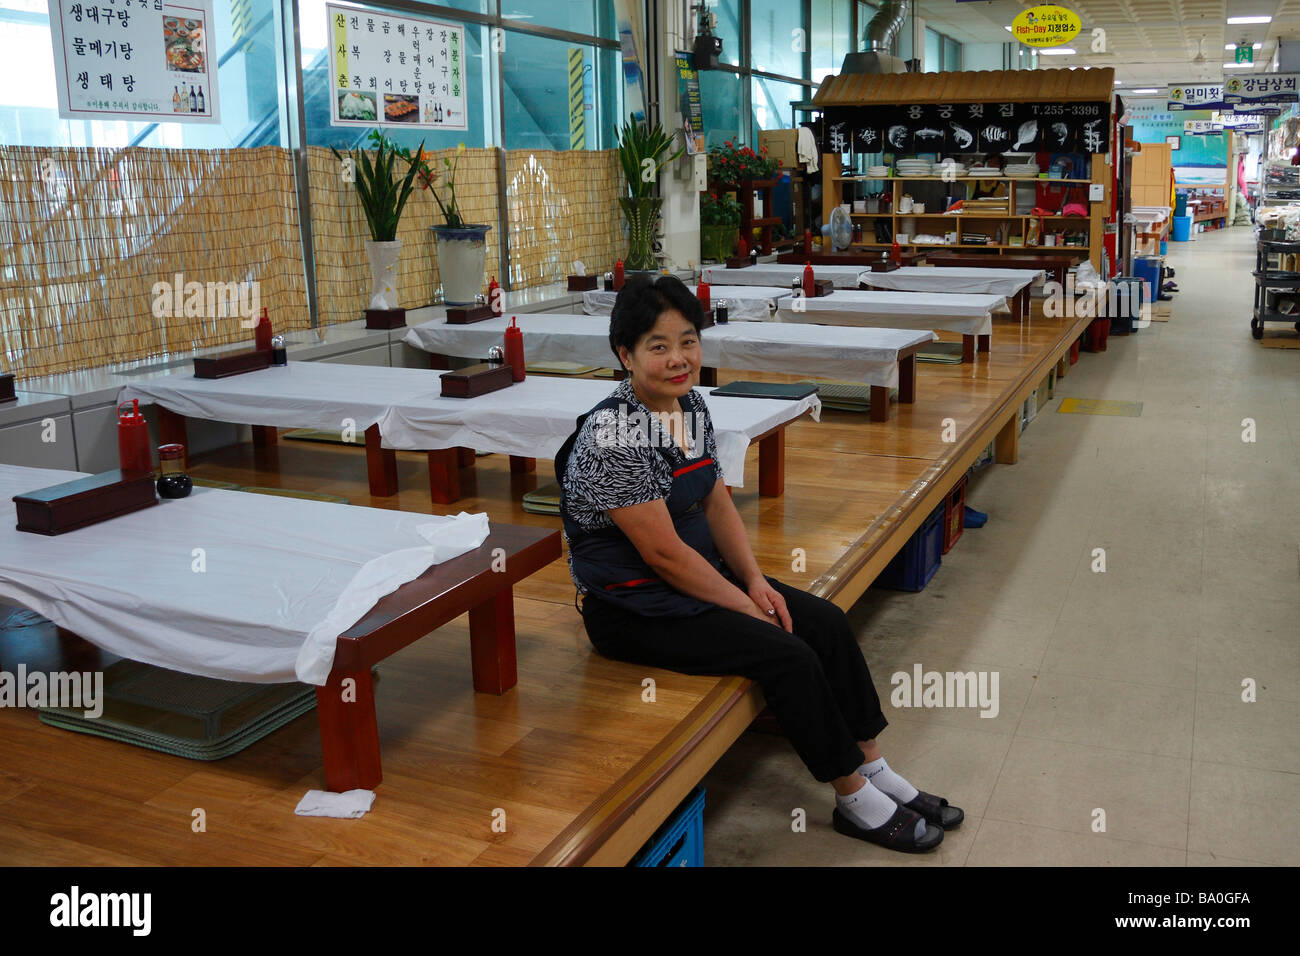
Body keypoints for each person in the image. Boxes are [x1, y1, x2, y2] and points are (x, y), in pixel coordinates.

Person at [555, 274, 962, 853]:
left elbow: (715, 497)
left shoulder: (689, 405)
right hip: (633, 607)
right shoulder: (614, 435)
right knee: (788, 655)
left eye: (687, 341)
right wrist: (747, 607)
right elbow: (664, 555)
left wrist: (751, 580)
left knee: (824, 621)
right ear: (625, 354)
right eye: (658, 345)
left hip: (699, 578)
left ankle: (875, 767)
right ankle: (853, 797)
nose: (678, 359)